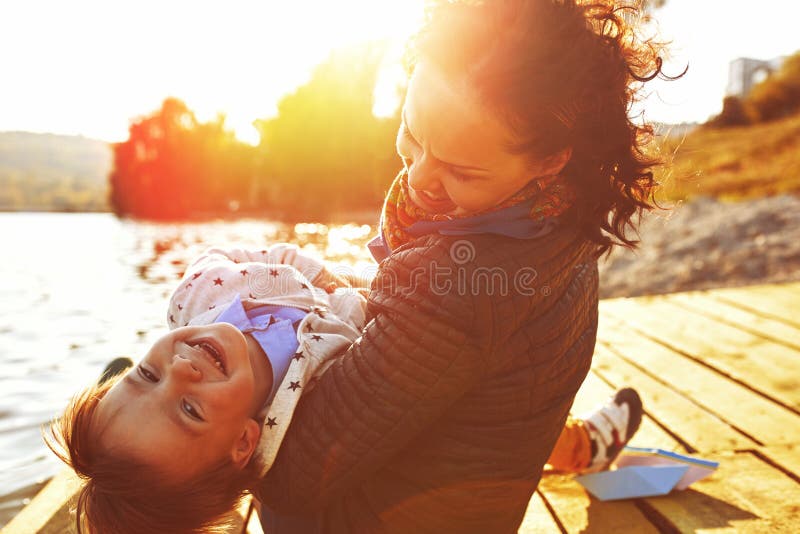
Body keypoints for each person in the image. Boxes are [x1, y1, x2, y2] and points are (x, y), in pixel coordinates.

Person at [252, 0, 668, 532]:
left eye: (460, 170)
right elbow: (462, 353)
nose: (420, 179)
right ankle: (584, 444)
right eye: (412, 134)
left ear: (549, 159)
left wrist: (202, 364)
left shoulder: (456, 287)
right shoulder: (562, 216)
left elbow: (289, 476)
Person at [46, 240, 642, 533]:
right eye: (190, 409)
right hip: (466, 429)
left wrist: (315, 273)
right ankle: (591, 444)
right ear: (244, 443)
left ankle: (582, 443)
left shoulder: (200, 298)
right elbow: (385, 343)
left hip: (335, 289)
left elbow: (262, 256)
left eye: (144, 374)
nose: (179, 370)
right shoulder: (311, 397)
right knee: (514, 445)